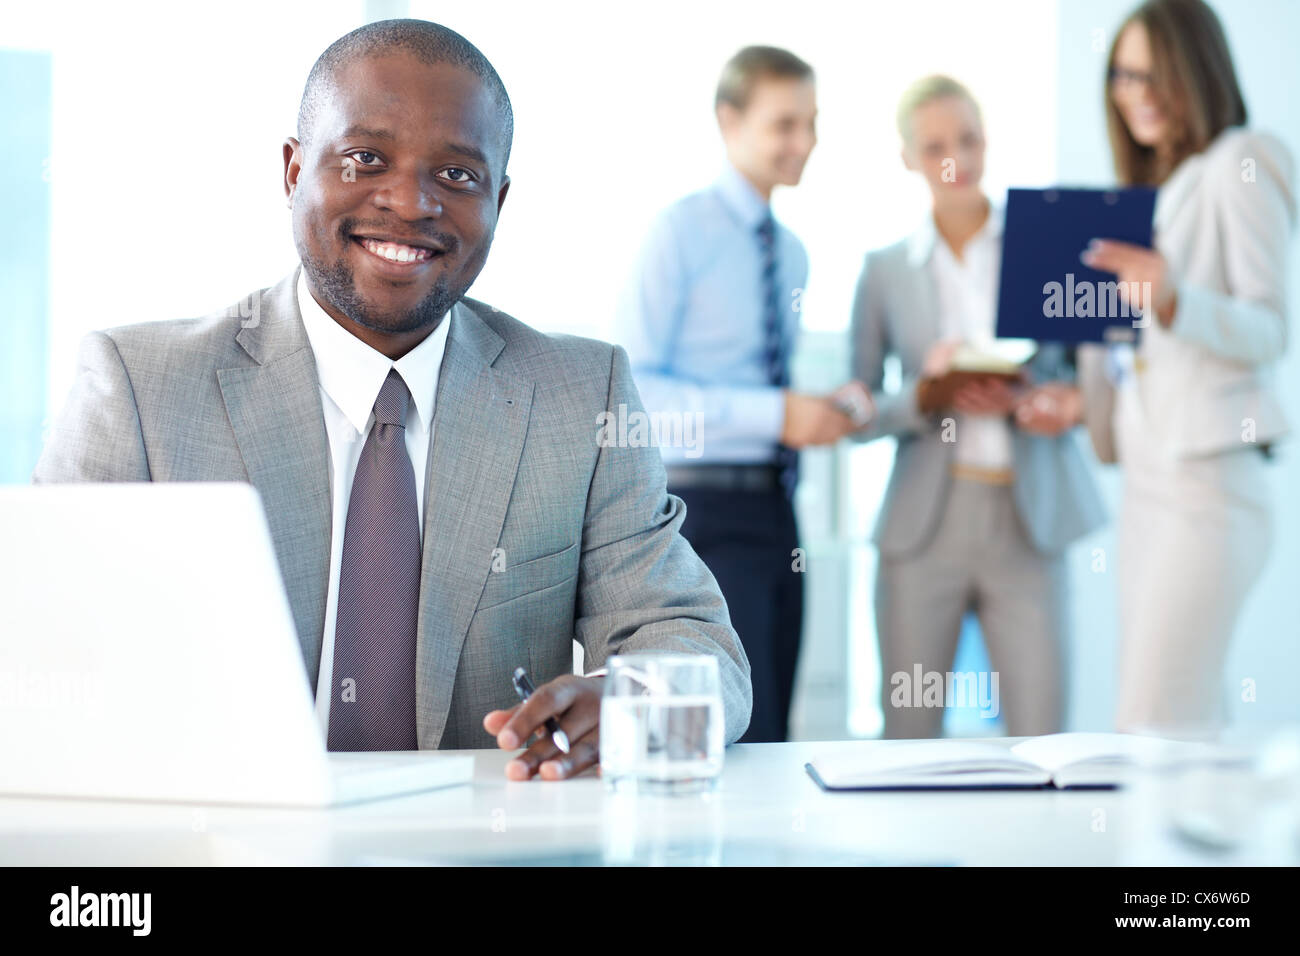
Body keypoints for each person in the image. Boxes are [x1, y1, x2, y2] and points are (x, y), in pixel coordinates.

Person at [31, 18, 752, 780]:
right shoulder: (139, 388)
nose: (410, 203)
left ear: (499, 200)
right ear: (292, 171)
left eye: (457, 176)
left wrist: (629, 701)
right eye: (366, 158)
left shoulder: (580, 396)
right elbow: (41, 656)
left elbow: (694, 647)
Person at [617, 46, 865, 743]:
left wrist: (817, 408)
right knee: (729, 730)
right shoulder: (679, 233)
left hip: (776, 512)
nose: (804, 143)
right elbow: (637, 399)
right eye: (785, 124)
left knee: (777, 720)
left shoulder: (792, 253)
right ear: (729, 122)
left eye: (812, 123)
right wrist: (778, 416)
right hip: (702, 518)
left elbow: (761, 381)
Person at [850, 75, 1106, 738]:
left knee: (1046, 737)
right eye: (933, 145)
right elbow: (860, 410)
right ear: (906, 157)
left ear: (987, 141)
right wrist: (925, 394)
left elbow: (1085, 379)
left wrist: (1035, 397)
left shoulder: (1047, 243)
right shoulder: (884, 270)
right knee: (907, 735)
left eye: (967, 139)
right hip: (924, 528)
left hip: (1030, 518)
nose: (953, 158)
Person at [1075, 0, 1294, 738]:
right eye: (1122, 74)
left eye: (1151, 72)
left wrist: (1172, 299)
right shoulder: (1153, 194)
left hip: (1211, 491)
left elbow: (1270, 327)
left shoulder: (1240, 158)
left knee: (1155, 720)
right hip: (1148, 487)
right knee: (1182, 720)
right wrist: (1079, 400)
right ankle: (1206, 851)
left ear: (1192, 70)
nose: (1134, 90)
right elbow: (1150, 365)